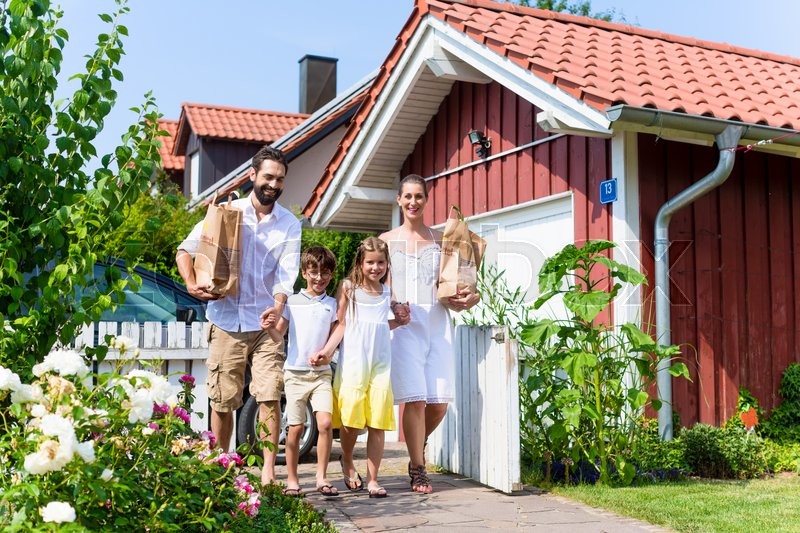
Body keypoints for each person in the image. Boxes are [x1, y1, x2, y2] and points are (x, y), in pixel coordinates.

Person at [176, 145, 301, 487]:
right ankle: (221, 465)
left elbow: (286, 276)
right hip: (227, 320)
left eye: (279, 179)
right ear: (252, 176)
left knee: (270, 395)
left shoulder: (290, 225)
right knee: (222, 400)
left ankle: (267, 472)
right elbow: (184, 250)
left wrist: (277, 308)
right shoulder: (226, 213)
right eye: (268, 177)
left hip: (265, 324)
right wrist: (190, 284)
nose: (273, 184)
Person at [379, 174, 480, 494]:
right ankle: (418, 469)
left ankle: (415, 446)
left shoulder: (443, 240)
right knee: (416, 400)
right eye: (407, 196)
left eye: (419, 196)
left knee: (439, 404)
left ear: (426, 199)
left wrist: (470, 298)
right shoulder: (386, 240)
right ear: (399, 200)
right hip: (406, 326)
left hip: (438, 324)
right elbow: (375, 284)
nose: (413, 202)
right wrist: (392, 307)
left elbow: (464, 287)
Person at [312, 237, 408, 499]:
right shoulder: (348, 288)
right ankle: (347, 460)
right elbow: (342, 324)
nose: (375, 268)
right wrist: (327, 350)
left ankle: (374, 479)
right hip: (354, 363)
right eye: (370, 263)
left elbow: (379, 326)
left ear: (387, 264)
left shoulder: (388, 293)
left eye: (380, 263)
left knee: (377, 421)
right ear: (360, 263)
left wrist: (399, 322)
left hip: (380, 364)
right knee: (352, 421)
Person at [261, 246, 340, 497]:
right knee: (294, 429)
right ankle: (292, 479)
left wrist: (325, 353)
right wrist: (268, 328)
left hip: (321, 375)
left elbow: (335, 336)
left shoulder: (332, 304)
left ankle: (322, 477)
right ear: (305, 272)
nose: (319, 277)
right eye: (314, 271)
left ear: (331, 274)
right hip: (295, 374)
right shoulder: (293, 302)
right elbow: (279, 335)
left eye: (325, 272)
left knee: (325, 423)